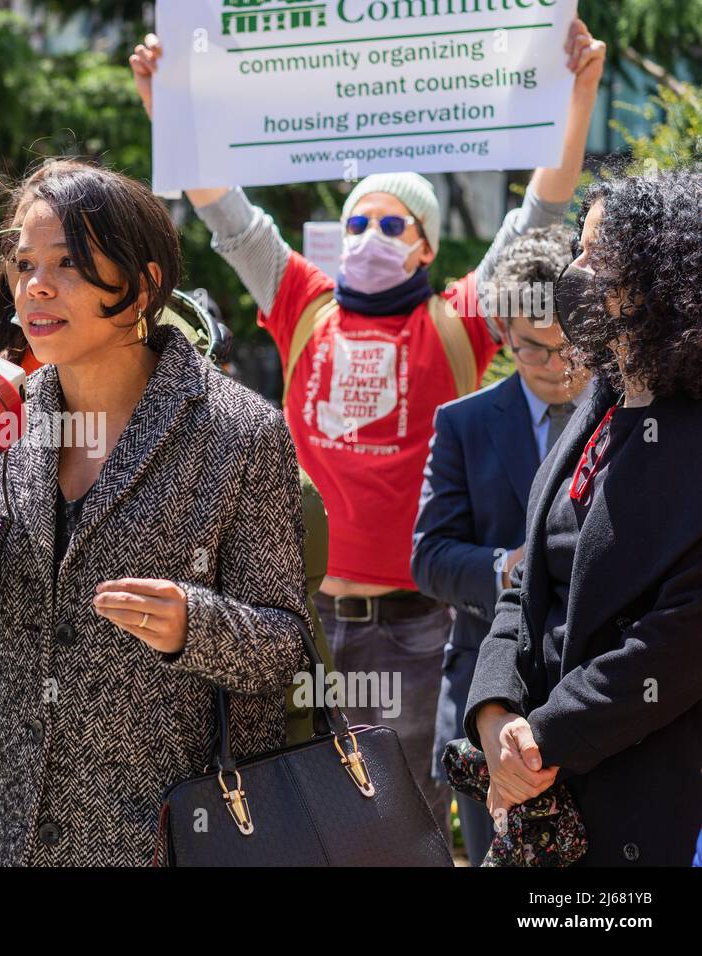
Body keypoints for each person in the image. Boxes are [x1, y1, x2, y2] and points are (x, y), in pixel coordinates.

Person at [129, 16, 606, 833]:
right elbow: (228, 214)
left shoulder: (456, 321)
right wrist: (167, 104)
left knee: (403, 820)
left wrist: (581, 93)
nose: (369, 237)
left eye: (392, 225)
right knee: (290, 812)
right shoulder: (303, 303)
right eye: (357, 223)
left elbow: (538, 210)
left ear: (424, 251)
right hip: (293, 616)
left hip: (412, 631)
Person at [0, 159, 309, 866]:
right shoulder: (10, 422)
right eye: (24, 264)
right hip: (26, 833)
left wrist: (194, 623)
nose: (36, 286)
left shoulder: (241, 431)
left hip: (177, 834)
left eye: (68, 263)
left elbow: (284, 649)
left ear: (144, 284)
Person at [465, 167, 702, 866]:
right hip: (536, 790)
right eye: (581, 250)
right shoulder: (597, 404)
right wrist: (495, 711)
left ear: (663, 279)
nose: (577, 271)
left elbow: (679, 641)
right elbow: (525, 585)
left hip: (644, 799)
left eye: (602, 258)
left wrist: (544, 741)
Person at [411, 225, 592, 864]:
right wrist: (505, 566)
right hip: (488, 694)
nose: (554, 367)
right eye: (532, 350)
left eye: (569, 348)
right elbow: (429, 556)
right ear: (502, 336)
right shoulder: (462, 423)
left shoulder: (628, 417)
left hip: (595, 696)